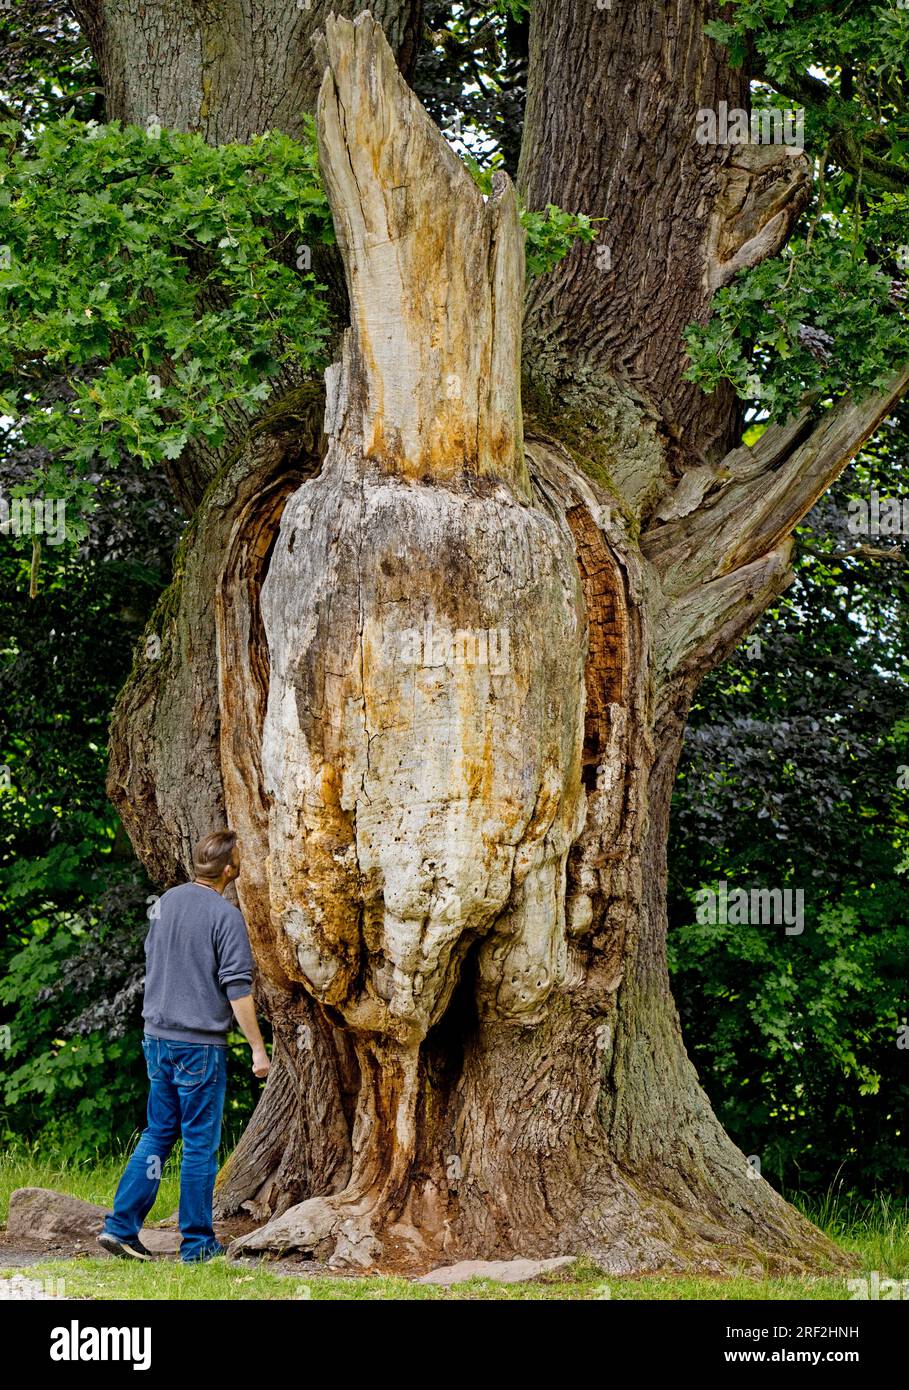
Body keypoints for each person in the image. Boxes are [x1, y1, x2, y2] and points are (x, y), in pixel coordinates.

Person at [98, 830, 270, 1263]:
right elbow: (237, 987)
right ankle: (197, 1244)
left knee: (158, 1134)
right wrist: (257, 1048)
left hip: (156, 1039)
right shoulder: (225, 916)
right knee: (198, 1145)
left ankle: (120, 1228)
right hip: (197, 1047)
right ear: (230, 869)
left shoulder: (165, 904)